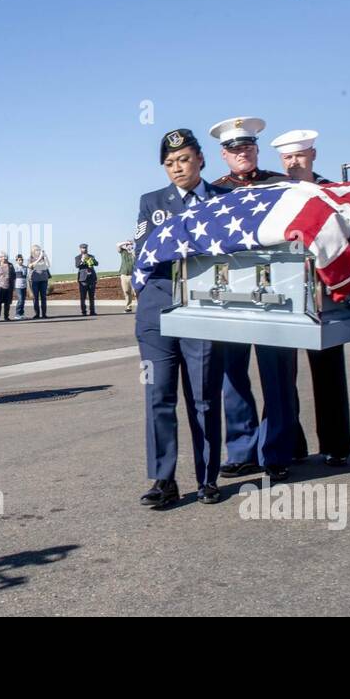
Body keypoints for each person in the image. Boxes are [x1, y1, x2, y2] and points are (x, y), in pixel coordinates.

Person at [135, 128, 226, 507]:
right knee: (158, 396)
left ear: (201, 159)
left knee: (204, 397)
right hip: (157, 313)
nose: (177, 168)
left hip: (203, 312)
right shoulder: (152, 202)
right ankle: (163, 479)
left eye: (184, 159)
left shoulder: (225, 200)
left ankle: (208, 478)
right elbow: (145, 250)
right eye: (169, 163)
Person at [210, 116, 299, 482]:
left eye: (246, 146)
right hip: (229, 291)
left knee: (278, 373)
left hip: (276, 288)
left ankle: (278, 449)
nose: (241, 153)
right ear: (223, 155)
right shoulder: (213, 192)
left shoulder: (282, 186)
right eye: (233, 149)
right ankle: (243, 450)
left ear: (257, 149)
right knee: (233, 374)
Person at [270, 128, 350, 466]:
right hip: (284, 294)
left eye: (299, 155)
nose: (293, 162)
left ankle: (336, 445)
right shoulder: (271, 195)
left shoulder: (331, 192)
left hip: (324, 291)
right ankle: (292, 444)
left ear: (313, 155)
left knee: (329, 370)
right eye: (288, 157)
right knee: (281, 373)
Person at [27, 245, 50, 319]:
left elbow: (48, 265)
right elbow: (30, 266)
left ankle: (44, 314)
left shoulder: (43, 258)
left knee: (43, 297)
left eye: (39, 249)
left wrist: (45, 256)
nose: (38, 251)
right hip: (34, 280)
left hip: (44, 280)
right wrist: (39, 259)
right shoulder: (30, 258)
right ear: (33, 251)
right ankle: (37, 314)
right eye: (36, 250)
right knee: (35, 298)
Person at [74, 244, 97, 316]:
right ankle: (84, 311)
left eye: (86, 248)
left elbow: (96, 264)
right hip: (83, 279)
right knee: (83, 297)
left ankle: (92, 311)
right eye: (83, 248)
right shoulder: (78, 257)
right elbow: (77, 265)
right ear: (80, 249)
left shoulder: (91, 256)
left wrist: (92, 260)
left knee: (92, 296)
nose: (85, 249)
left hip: (92, 279)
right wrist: (82, 260)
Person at [0, 252, 14, 322]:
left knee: (7, 303)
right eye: (1, 257)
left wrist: (12, 285)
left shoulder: (10, 265)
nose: (3, 258)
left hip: (8, 287)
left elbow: (13, 275)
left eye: (5, 257)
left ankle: (6, 317)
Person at [117, 242, 136, 313]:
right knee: (126, 291)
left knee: (136, 292)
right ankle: (128, 307)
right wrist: (126, 242)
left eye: (130, 245)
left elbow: (137, 258)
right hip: (124, 274)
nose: (129, 246)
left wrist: (132, 251)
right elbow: (118, 245)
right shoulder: (123, 252)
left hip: (134, 275)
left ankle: (140, 307)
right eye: (128, 245)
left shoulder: (135, 252)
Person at [13, 254, 28, 320]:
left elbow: (26, 276)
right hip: (17, 286)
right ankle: (17, 314)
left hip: (24, 286)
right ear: (16, 260)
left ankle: (22, 314)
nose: (21, 261)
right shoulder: (14, 267)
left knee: (23, 300)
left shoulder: (25, 267)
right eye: (19, 260)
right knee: (20, 299)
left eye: (22, 260)